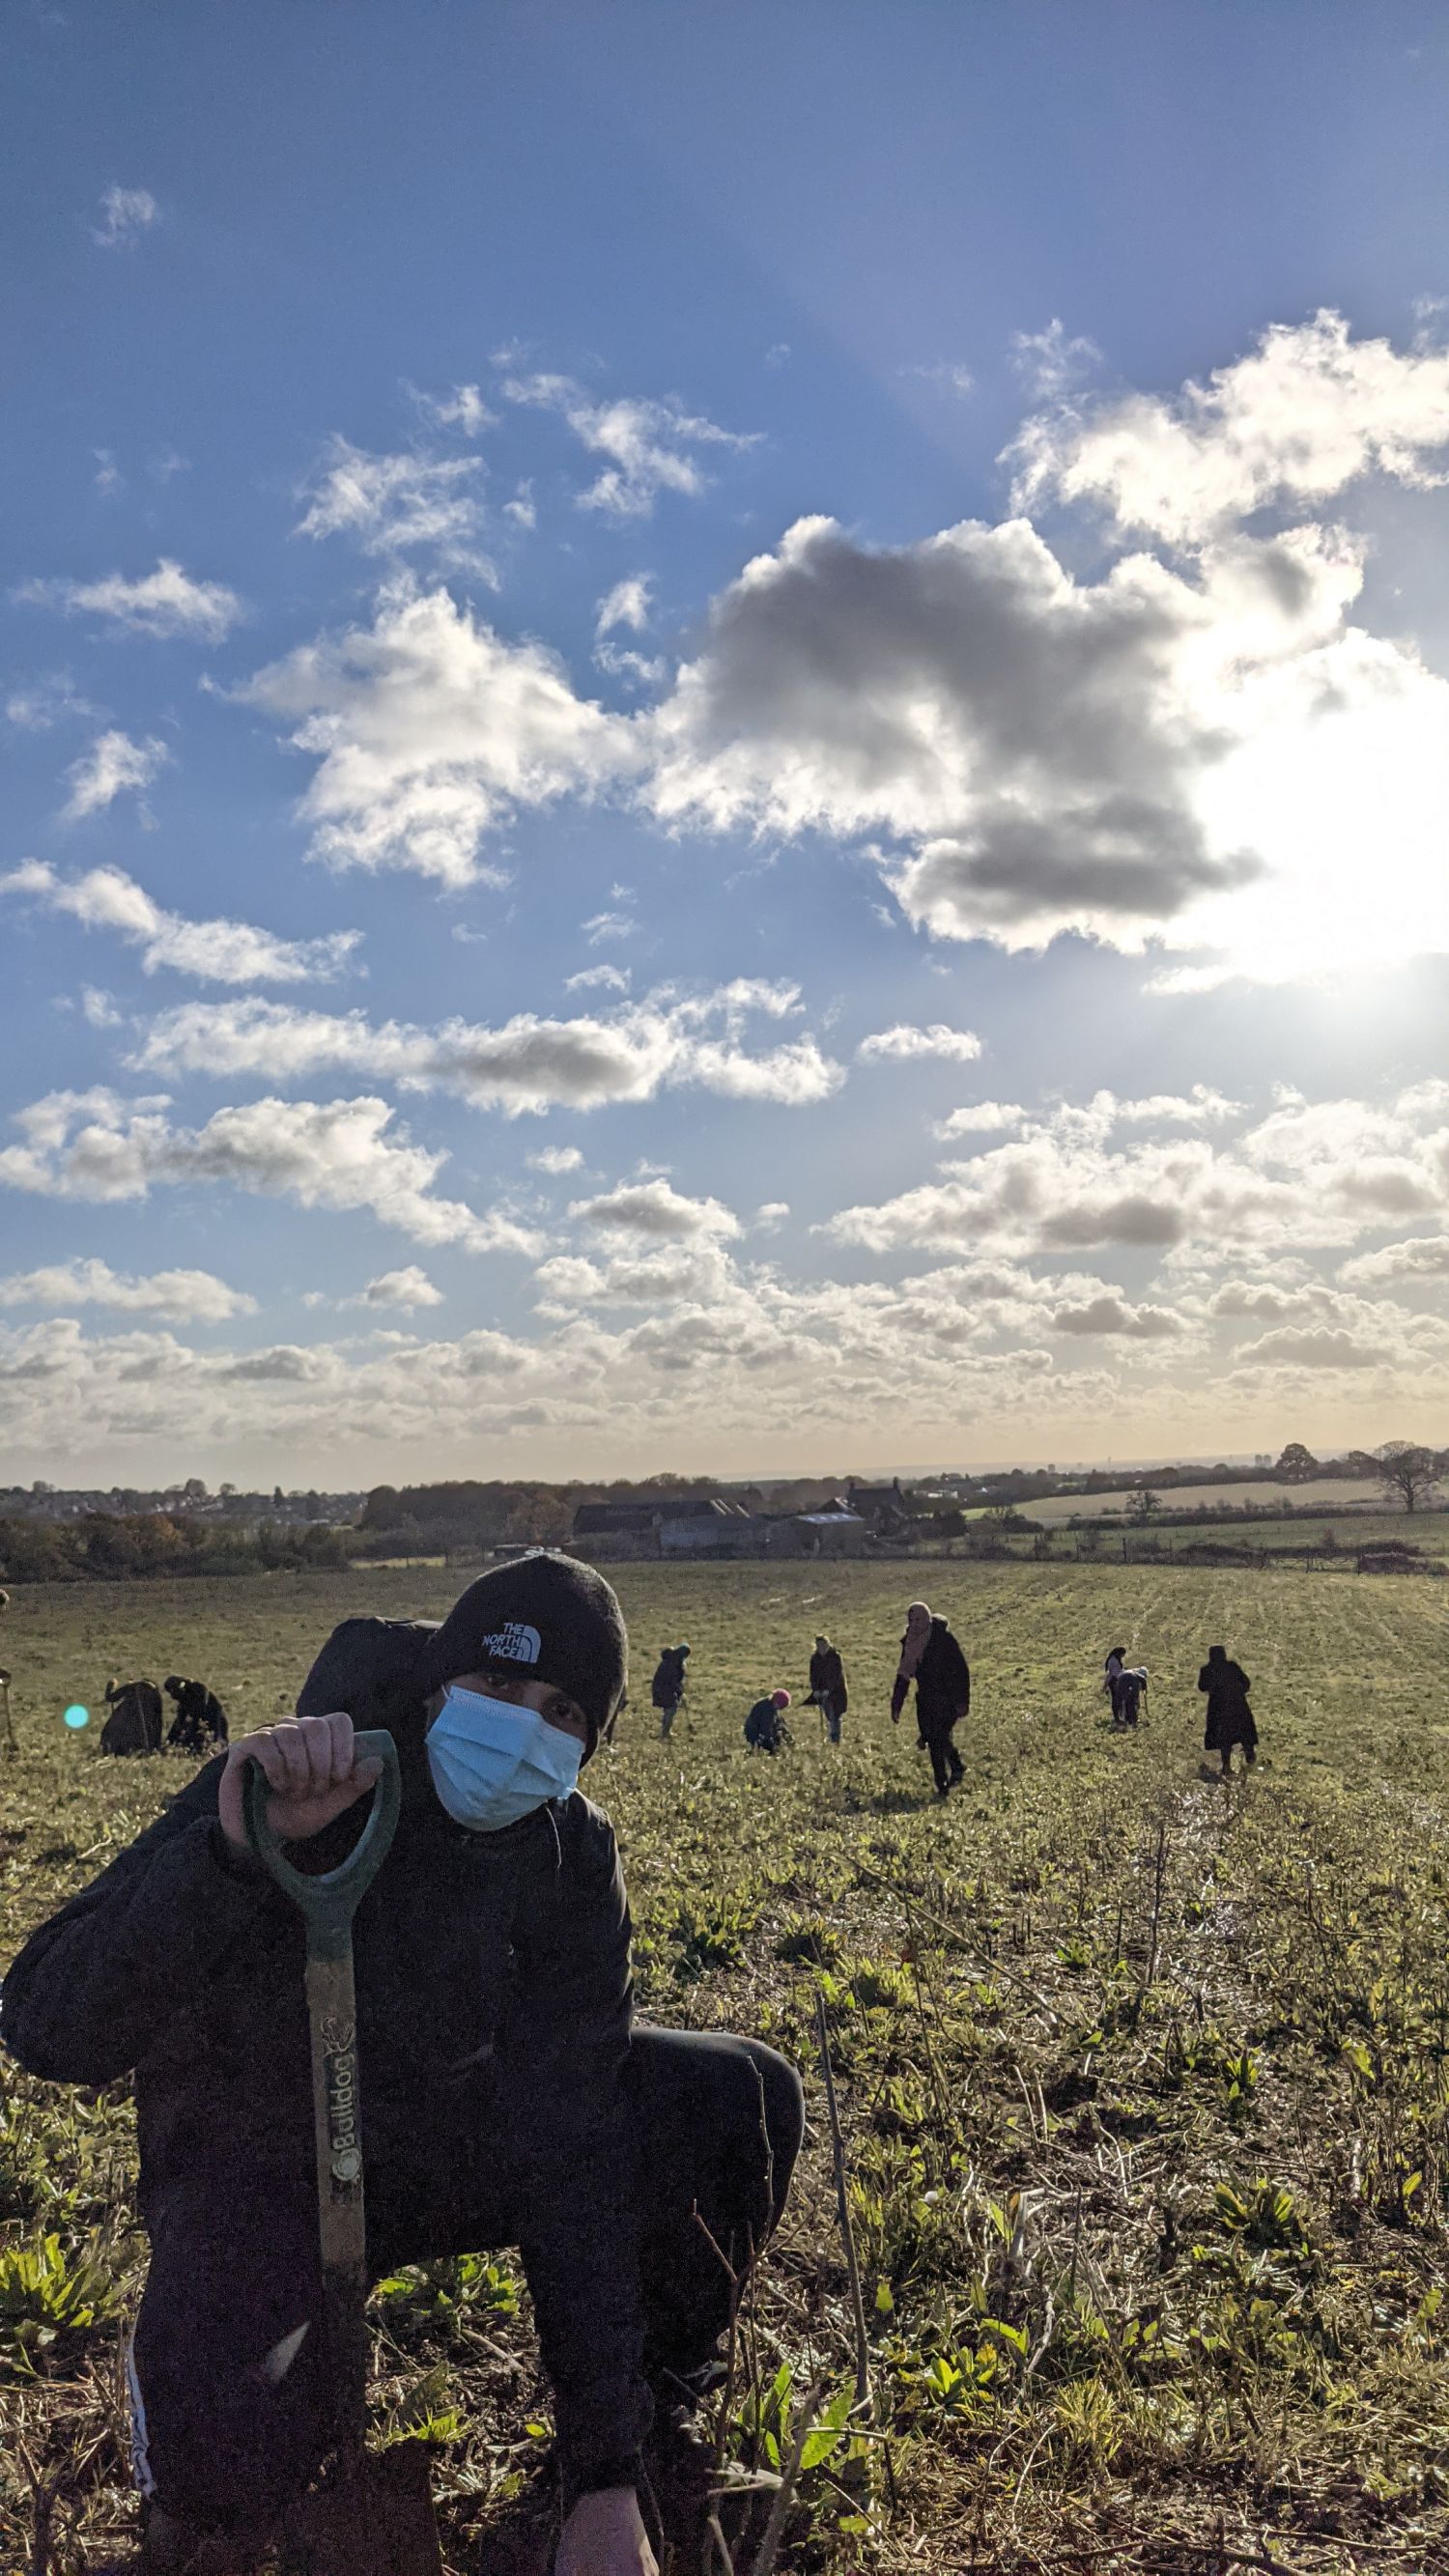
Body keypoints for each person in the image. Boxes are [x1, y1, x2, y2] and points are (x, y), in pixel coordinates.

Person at [1, 1554, 803, 2576]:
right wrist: (233, 1854)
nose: (522, 1728)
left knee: (737, 2095)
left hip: (448, 2150)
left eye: (563, 1711)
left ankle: (655, 2412)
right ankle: (209, 2483)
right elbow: (46, 2019)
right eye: (498, 1686)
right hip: (265, 2168)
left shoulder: (566, 1851)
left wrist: (605, 2474)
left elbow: (572, 2132)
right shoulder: (297, 1777)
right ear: (438, 1685)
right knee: (227, 2469)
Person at [890, 1601, 968, 1797]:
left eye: (919, 1619)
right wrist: (896, 1705)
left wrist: (962, 1701)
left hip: (948, 1698)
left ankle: (942, 1786)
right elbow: (904, 1674)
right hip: (926, 1699)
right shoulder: (910, 1642)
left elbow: (961, 1670)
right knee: (936, 1739)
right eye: (911, 1620)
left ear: (927, 1618)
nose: (915, 1623)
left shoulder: (943, 1638)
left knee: (937, 1739)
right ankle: (956, 1768)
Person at [1199, 1643, 1257, 1776]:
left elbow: (1202, 1687)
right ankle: (1249, 1755)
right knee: (1244, 1730)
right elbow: (1246, 1683)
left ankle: (1227, 1766)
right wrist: (1238, 1692)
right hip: (1237, 1704)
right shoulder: (1232, 1667)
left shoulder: (1207, 1670)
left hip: (1218, 1708)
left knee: (1224, 1738)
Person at [163, 1675, 229, 1756]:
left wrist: (190, 1731)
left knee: (218, 1742)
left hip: (214, 1717)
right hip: (202, 1720)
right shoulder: (183, 1698)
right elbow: (180, 1719)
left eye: (173, 1691)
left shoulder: (198, 1689)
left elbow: (200, 1712)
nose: (172, 1696)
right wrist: (171, 1739)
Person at [808, 1635, 847, 1745]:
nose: (822, 1648)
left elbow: (837, 1675)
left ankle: (836, 1740)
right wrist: (815, 1690)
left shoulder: (835, 1657)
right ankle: (831, 1738)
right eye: (819, 1645)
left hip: (836, 1692)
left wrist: (829, 1690)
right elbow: (813, 1676)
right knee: (829, 1716)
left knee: (836, 1715)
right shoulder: (815, 1659)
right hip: (822, 1693)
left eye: (824, 1645)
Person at [649, 1644, 690, 1740]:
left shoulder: (672, 1660)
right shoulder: (673, 1663)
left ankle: (665, 1731)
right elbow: (672, 1680)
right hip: (664, 1689)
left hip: (662, 1688)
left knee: (668, 1709)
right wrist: (679, 1691)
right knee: (671, 1708)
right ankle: (664, 1733)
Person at [743, 1689, 791, 1754]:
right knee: (773, 1748)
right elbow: (765, 1729)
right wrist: (773, 1745)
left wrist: (789, 1738)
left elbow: (780, 1724)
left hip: (760, 1732)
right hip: (754, 1734)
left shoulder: (771, 1706)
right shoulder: (766, 1709)